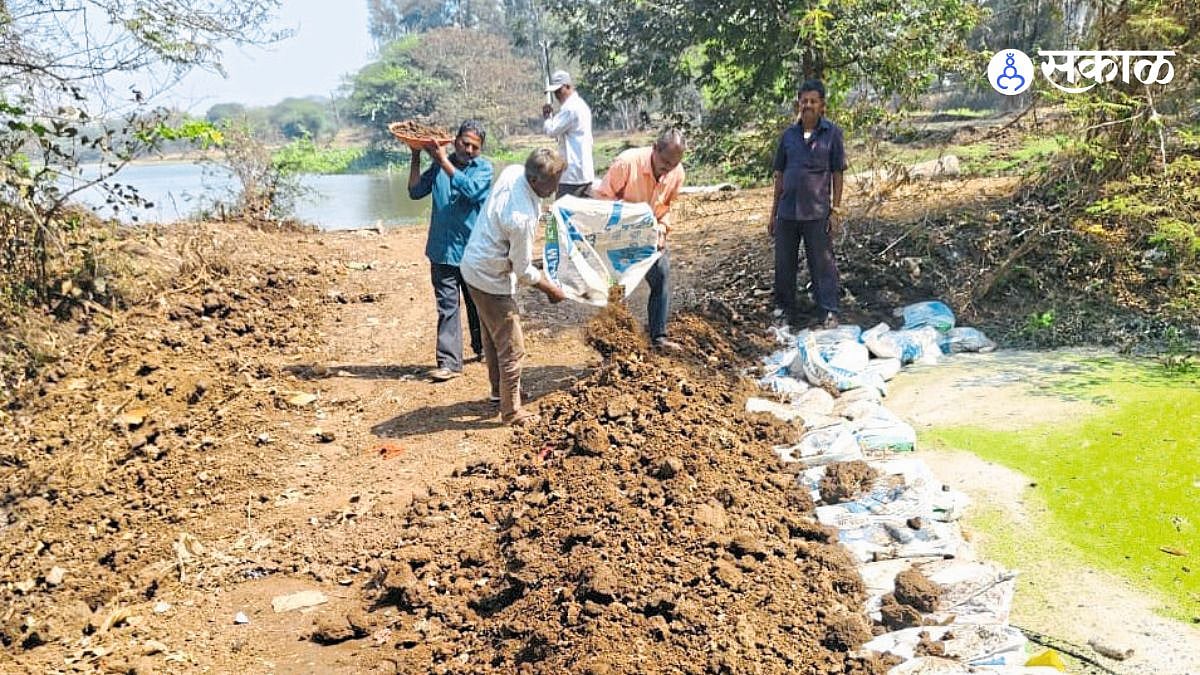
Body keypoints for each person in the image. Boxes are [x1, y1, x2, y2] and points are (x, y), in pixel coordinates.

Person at [461, 149, 568, 426]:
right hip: (490, 278)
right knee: (512, 347)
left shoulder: (512, 173)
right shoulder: (521, 218)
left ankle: (500, 392)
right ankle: (511, 411)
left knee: (492, 336)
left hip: (473, 267)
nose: (556, 188)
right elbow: (523, 271)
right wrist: (551, 290)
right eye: (552, 183)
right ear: (533, 179)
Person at [408, 120, 494, 382]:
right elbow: (414, 192)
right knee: (447, 307)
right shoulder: (437, 167)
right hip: (441, 249)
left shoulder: (484, 169)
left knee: (477, 305)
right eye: (464, 144)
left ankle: (483, 349)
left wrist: (444, 161)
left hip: (472, 250)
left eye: (474, 147)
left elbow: (470, 191)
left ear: (480, 150)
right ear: (455, 141)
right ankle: (449, 362)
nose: (468, 150)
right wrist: (415, 156)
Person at [593, 128, 686, 351]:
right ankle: (615, 342)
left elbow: (666, 208)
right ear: (654, 149)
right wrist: (627, 221)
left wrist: (662, 229)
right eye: (664, 162)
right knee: (617, 287)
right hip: (618, 233)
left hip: (649, 235)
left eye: (673, 165)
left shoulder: (677, 173)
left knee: (661, 273)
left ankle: (658, 336)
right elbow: (602, 199)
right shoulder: (626, 163)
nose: (667, 170)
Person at [768, 79, 847, 329]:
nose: (808, 105)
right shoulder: (788, 136)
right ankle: (784, 311)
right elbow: (779, 175)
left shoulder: (832, 134)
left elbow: (837, 173)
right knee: (784, 264)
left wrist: (835, 210)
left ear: (822, 105)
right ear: (798, 105)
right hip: (787, 212)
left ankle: (828, 311)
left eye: (813, 101)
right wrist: (773, 214)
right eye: (804, 101)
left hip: (817, 212)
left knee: (822, 264)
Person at [541, 70, 594, 199]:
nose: (557, 95)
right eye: (555, 92)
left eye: (559, 91)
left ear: (568, 86)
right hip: (584, 173)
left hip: (571, 176)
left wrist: (547, 117)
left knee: (561, 214)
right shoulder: (581, 105)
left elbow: (551, 130)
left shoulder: (570, 108)